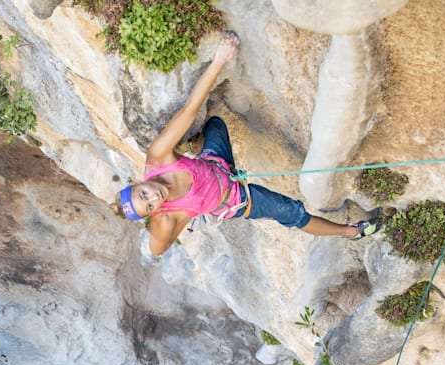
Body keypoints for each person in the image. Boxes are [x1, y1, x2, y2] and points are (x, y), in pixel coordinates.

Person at [111, 31, 380, 257]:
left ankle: (198, 147)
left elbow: (190, 110)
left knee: (215, 124)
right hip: (238, 199)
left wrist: (219, 60)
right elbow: (157, 249)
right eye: (148, 206)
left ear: (138, 181)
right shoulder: (164, 218)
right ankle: (350, 232)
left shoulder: (158, 159)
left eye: (143, 194)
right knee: (292, 212)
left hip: (214, 162)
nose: (153, 198)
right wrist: (183, 220)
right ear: (153, 213)